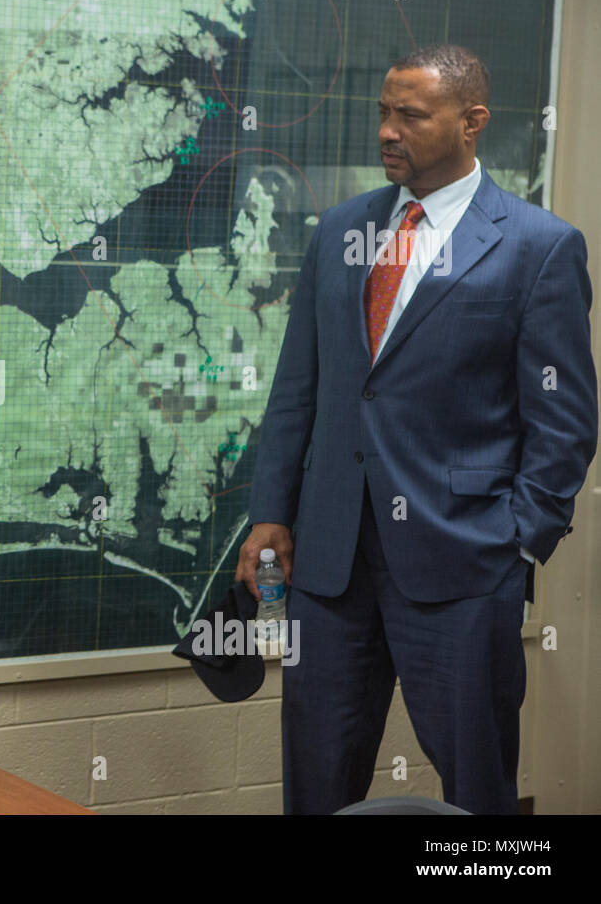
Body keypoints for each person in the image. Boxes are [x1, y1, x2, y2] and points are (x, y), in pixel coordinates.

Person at [236, 44, 597, 814]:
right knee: (317, 786)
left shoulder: (538, 247)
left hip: (465, 566)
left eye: (411, 115)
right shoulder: (340, 231)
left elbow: (563, 421)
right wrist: (271, 512)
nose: (388, 132)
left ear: (472, 123)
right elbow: (298, 390)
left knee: (477, 791)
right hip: (329, 569)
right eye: (383, 113)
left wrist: (519, 540)